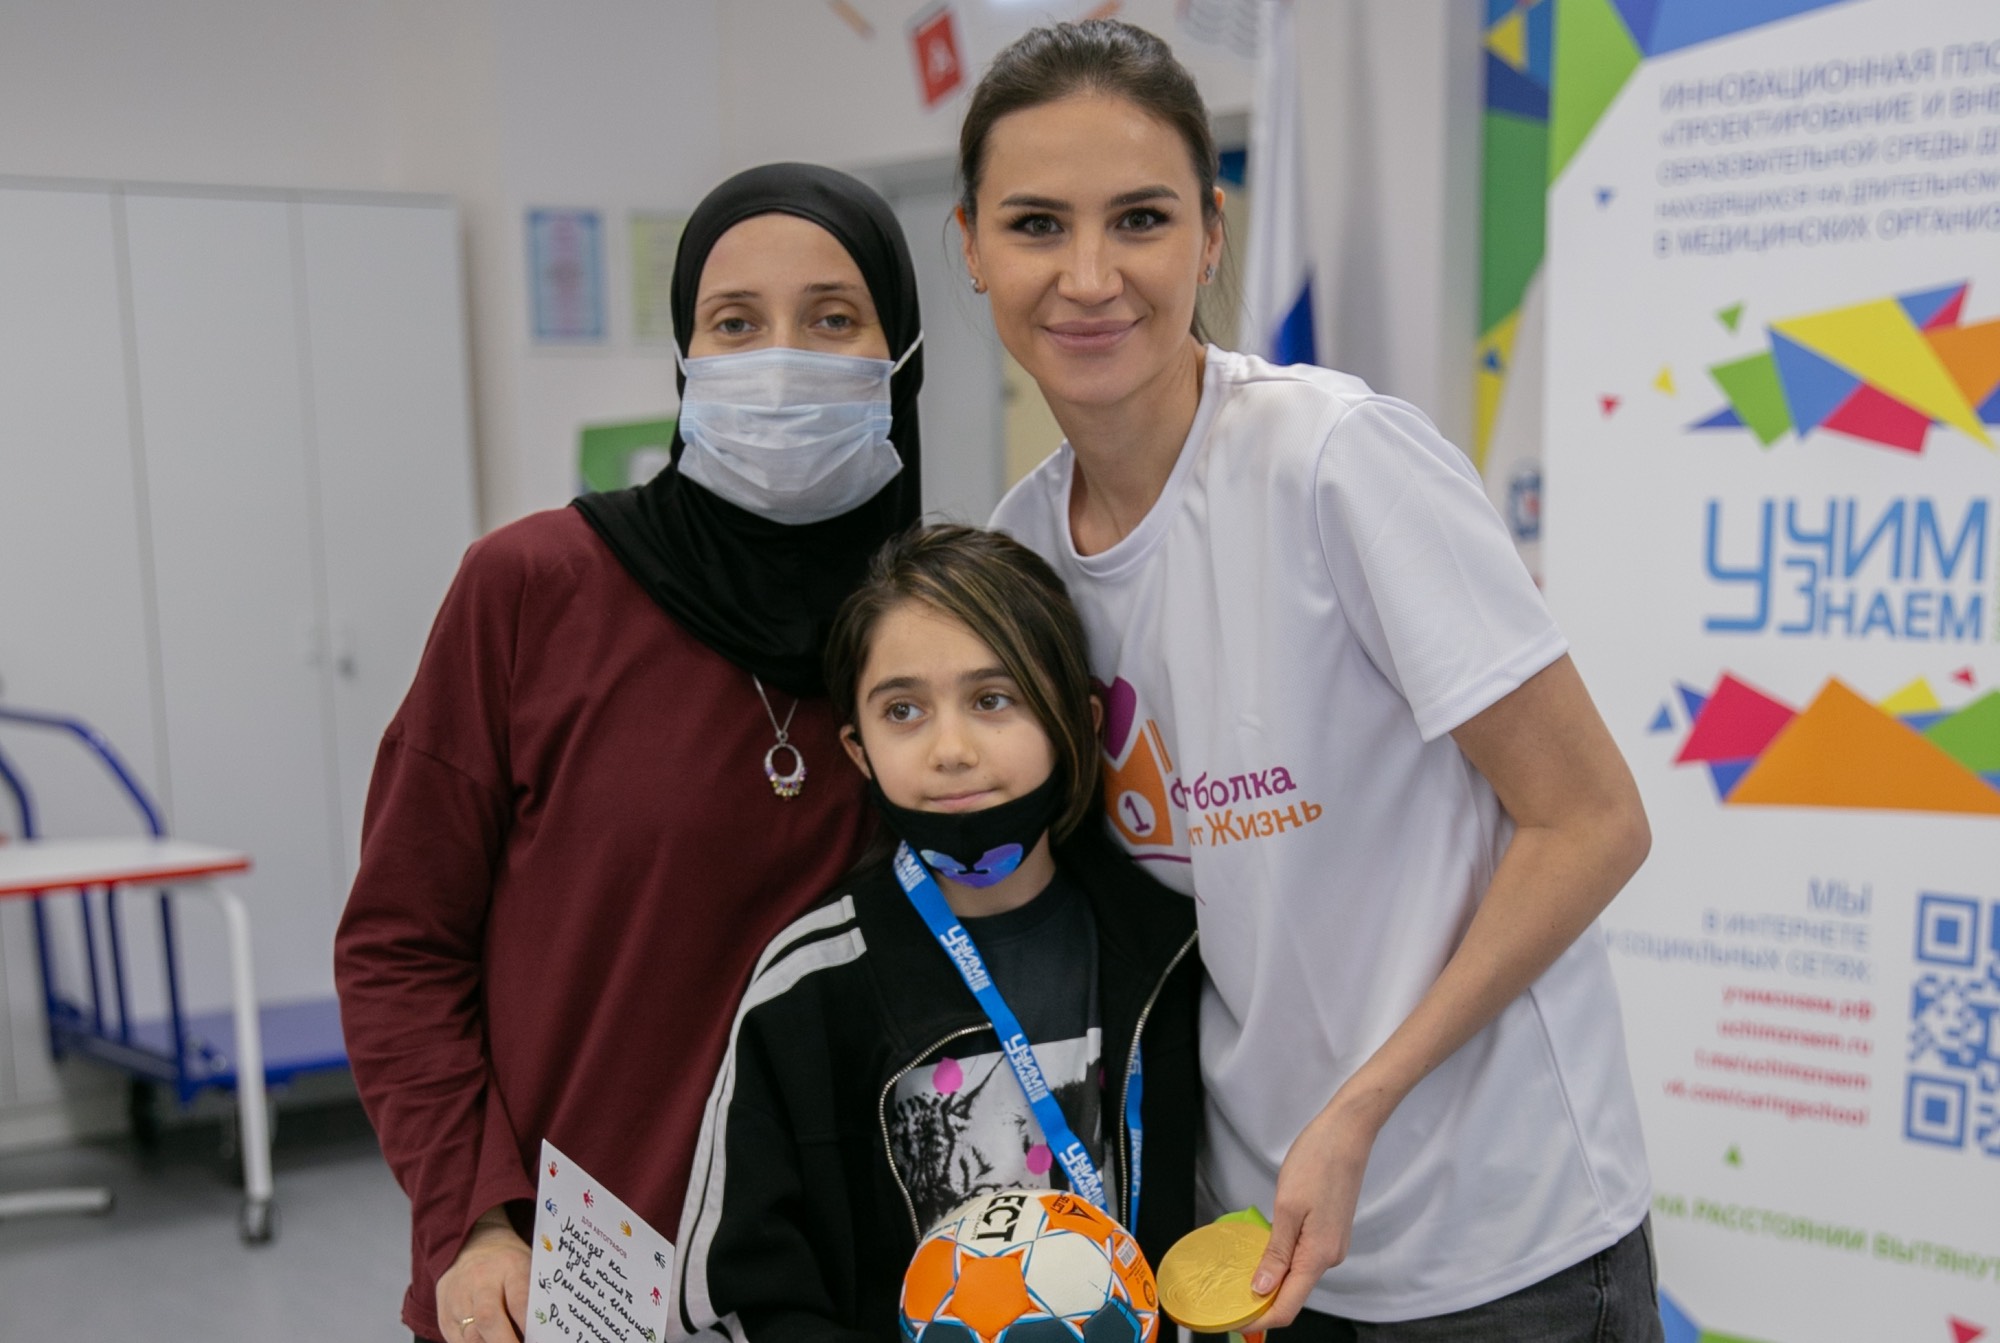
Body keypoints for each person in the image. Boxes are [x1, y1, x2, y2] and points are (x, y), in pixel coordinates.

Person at [962, 20, 1661, 1341]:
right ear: (972, 247)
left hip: (1496, 1242)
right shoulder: (1018, 555)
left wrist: (1359, 1106)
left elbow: (1592, 820)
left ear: (1209, 237)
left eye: (1142, 218)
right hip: (1251, 1246)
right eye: (1037, 224)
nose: (1089, 276)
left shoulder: (1337, 460)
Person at [333, 163, 926, 1343]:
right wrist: (475, 1220)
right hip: (567, 1282)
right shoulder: (534, 587)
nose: (779, 361)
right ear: (685, 355)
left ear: (901, 353)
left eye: (831, 319)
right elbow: (398, 943)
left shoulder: (932, 628)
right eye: (734, 323)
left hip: (847, 1281)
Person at [671, 524, 1202, 1343]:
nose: (950, 749)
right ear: (859, 749)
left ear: (1078, 719)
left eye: (993, 699)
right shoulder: (804, 989)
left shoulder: (1171, 950)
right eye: (903, 710)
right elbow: (735, 1290)